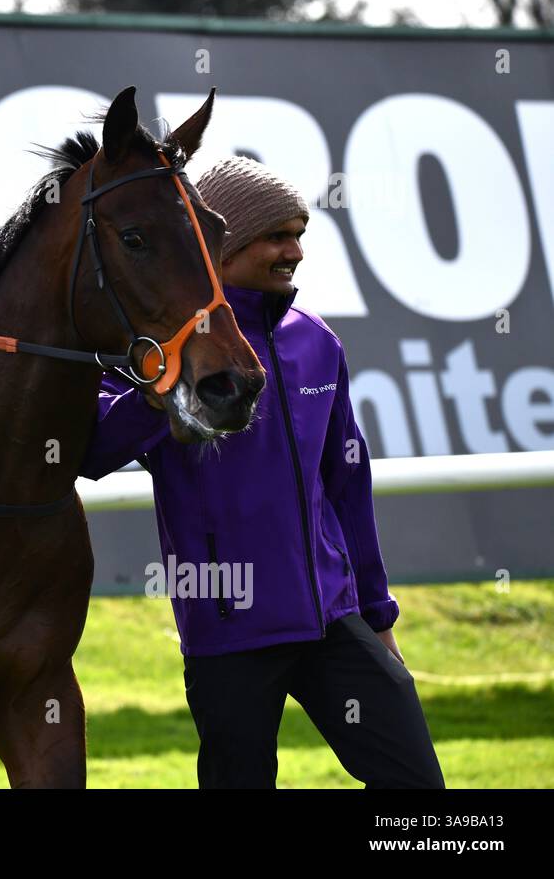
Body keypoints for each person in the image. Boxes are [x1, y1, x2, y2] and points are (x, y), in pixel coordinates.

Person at [80, 156, 445, 789]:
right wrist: (157, 394)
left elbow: (348, 485)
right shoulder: (158, 349)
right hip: (229, 631)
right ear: (224, 245)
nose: (294, 251)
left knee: (419, 792)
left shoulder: (317, 341)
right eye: (276, 235)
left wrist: (378, 616)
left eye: (299, 234)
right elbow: (91, 455)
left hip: (334, 623)